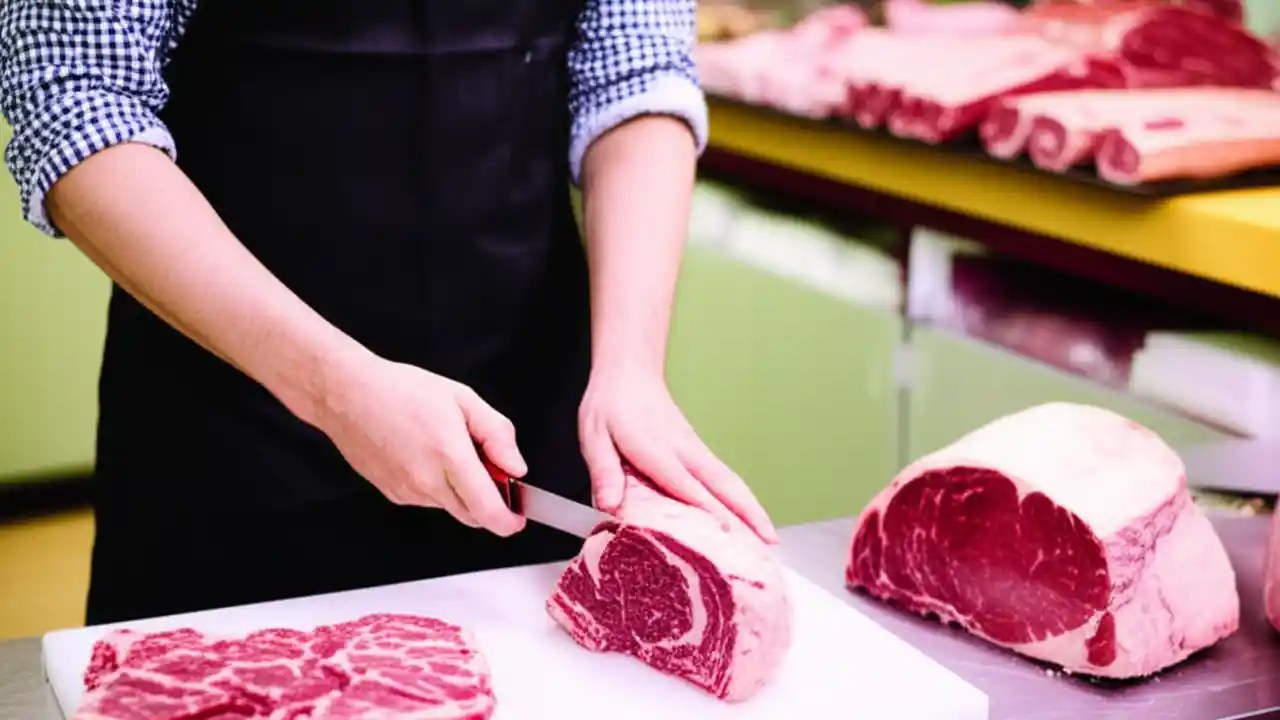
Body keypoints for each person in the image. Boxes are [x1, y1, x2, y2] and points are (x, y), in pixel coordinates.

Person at [0, 0, 777, 625]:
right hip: (238, 432)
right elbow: (75, 102)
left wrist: (631, 368)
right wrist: (331, 384)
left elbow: (634, 77)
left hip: (525, 424)